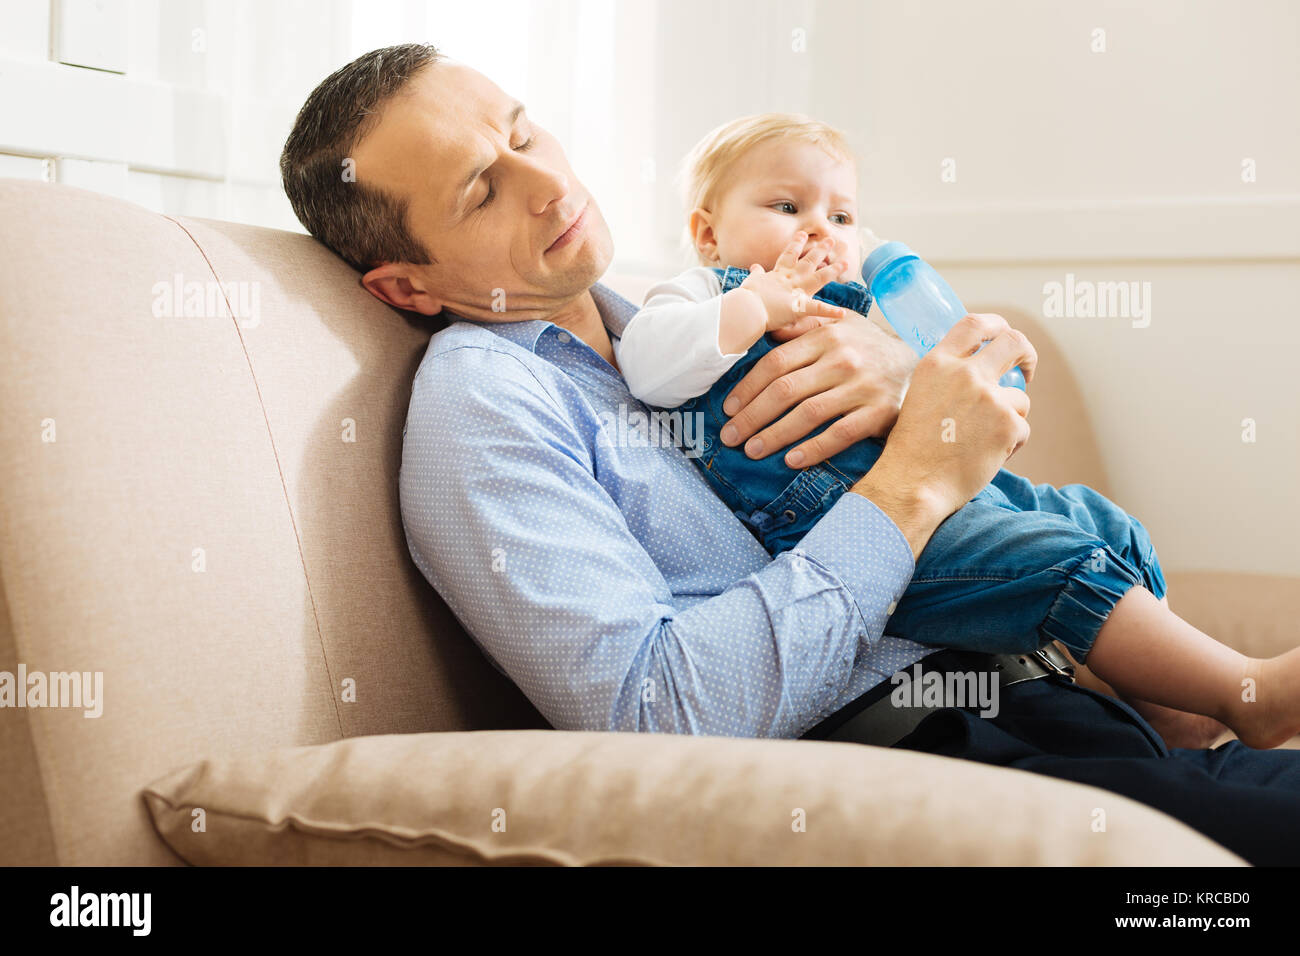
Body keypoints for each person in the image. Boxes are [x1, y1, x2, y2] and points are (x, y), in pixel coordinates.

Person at [279, 42, 1300, 864]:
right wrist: (913, 483)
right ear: (407, 285)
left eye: (523, 130)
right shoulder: (482, 398)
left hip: (1035, 686)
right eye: (480, 190)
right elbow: (657, 710)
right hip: (916, 764)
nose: (548, 182)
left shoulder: (668, 325)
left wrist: (902, 379)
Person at [616, 112, 1300, 751]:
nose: (820, 229)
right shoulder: (703, 295)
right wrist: (755, 302)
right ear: (708, 233)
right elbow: (648, 367)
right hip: (849, 524)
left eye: (842, 214)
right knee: (1054, 559)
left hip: (958, 492)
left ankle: (1171, 710)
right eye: (788, 207)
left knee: (1102, 521)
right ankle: (1248, 695)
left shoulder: (858, 314)